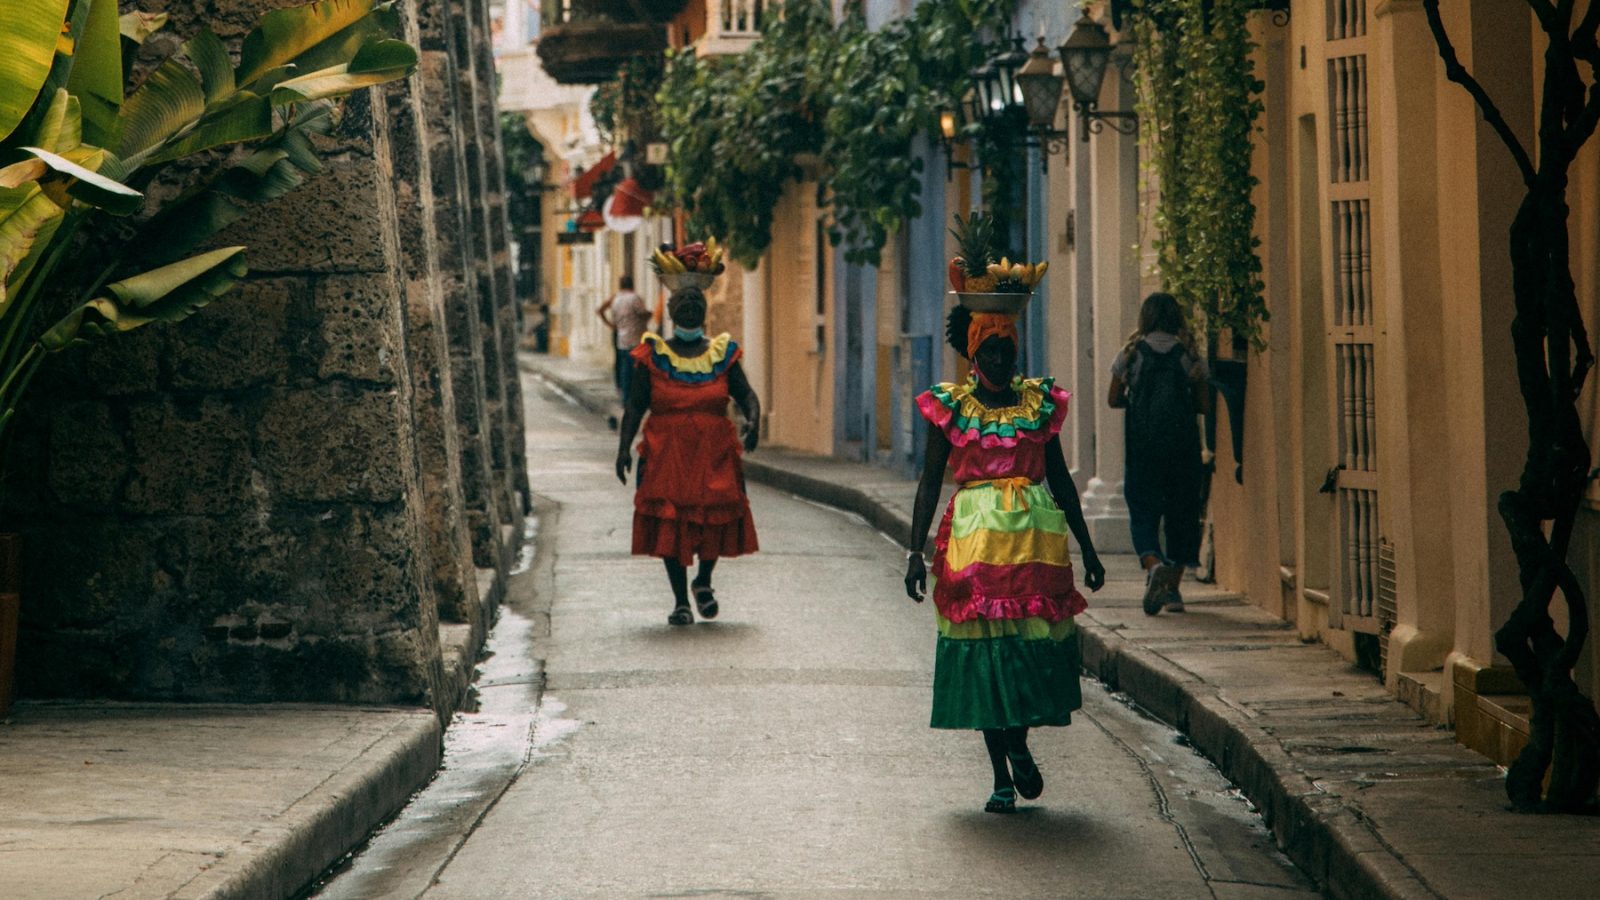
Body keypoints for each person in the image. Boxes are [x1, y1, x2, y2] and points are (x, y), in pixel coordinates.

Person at [905, 303, 1105, 815]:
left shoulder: (1037, 407)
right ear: (972, 354)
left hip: (1036, 548)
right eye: (988, 350)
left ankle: (1019, 742)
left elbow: (1059, 479)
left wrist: (1087, 547)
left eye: (1006, 349)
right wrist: (914, 551)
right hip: (973, 547)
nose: (998, 359)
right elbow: (930, 482)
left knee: (1028, 653)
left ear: (1017, 350)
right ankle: (999, 775)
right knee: (984, 659)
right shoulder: (951, 408)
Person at [615, 286, 761, 625]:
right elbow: (636, 405)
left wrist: (754, 421)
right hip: (667, 455)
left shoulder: (723, 354)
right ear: (671, 311)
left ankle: (703, 581)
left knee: (717, 514)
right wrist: (624, 448)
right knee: (672, 520)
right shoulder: (652, 355)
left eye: (697, 302)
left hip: (714, 454)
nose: (691, 308)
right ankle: (680, 600)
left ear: (705, 309)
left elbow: (745, 394)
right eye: (684, 302)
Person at [1106, 292, 1209, 616]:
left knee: (1143, 510)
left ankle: (1153, 566)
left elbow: (1113, 398)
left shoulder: (1131, 354)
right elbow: (1205, 405)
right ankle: (1174, 590)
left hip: (1143, 447)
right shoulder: (1190, 355)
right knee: (1181, 513)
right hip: (1183, 449)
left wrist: (1137, 403)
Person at [598, 275, 651, 413]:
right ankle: (637, 399)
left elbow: (602, 311)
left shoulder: (616, 299)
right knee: (636, 371)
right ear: (632, 284)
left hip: (621, 338)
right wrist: (650, 315)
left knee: (624, 370)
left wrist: (612, 325)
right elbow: (642, 314)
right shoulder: (634, 298)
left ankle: (625, 399)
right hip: (635, 339)